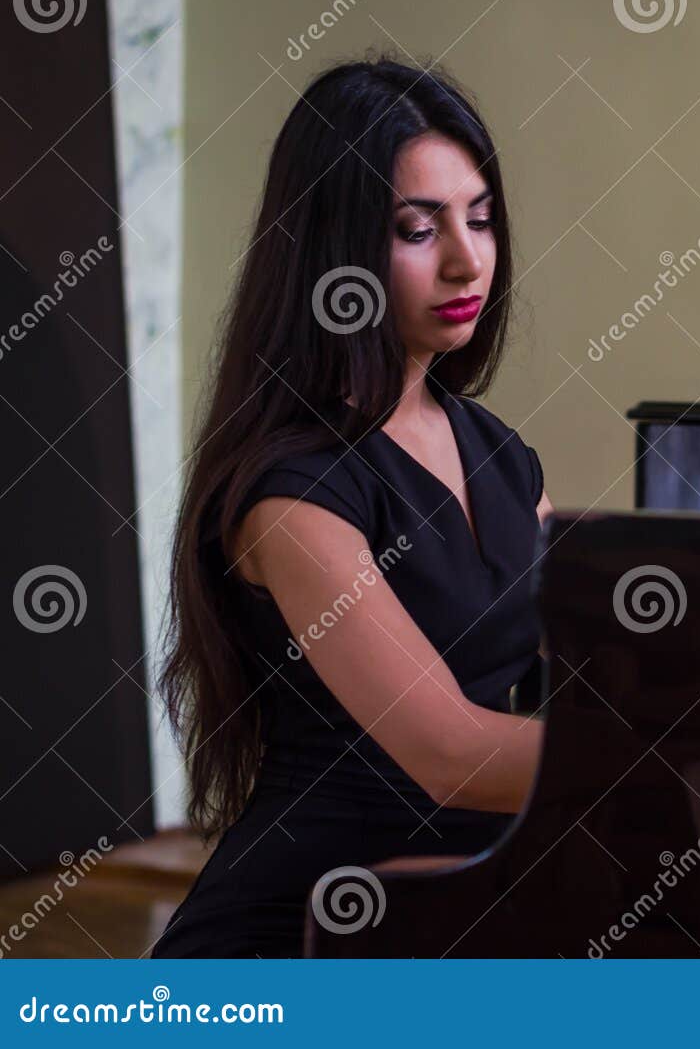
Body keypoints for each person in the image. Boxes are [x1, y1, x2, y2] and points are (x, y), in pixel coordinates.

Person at [151, 58, 550, 957]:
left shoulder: (502, 457)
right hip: (296, 933)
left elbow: (584, 667)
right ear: (335, 254)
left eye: (480, 219)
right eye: (418, 229)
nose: (466, 258)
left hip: (452, 911)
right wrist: (672, 767)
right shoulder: (293, 491)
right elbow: (448, 753)